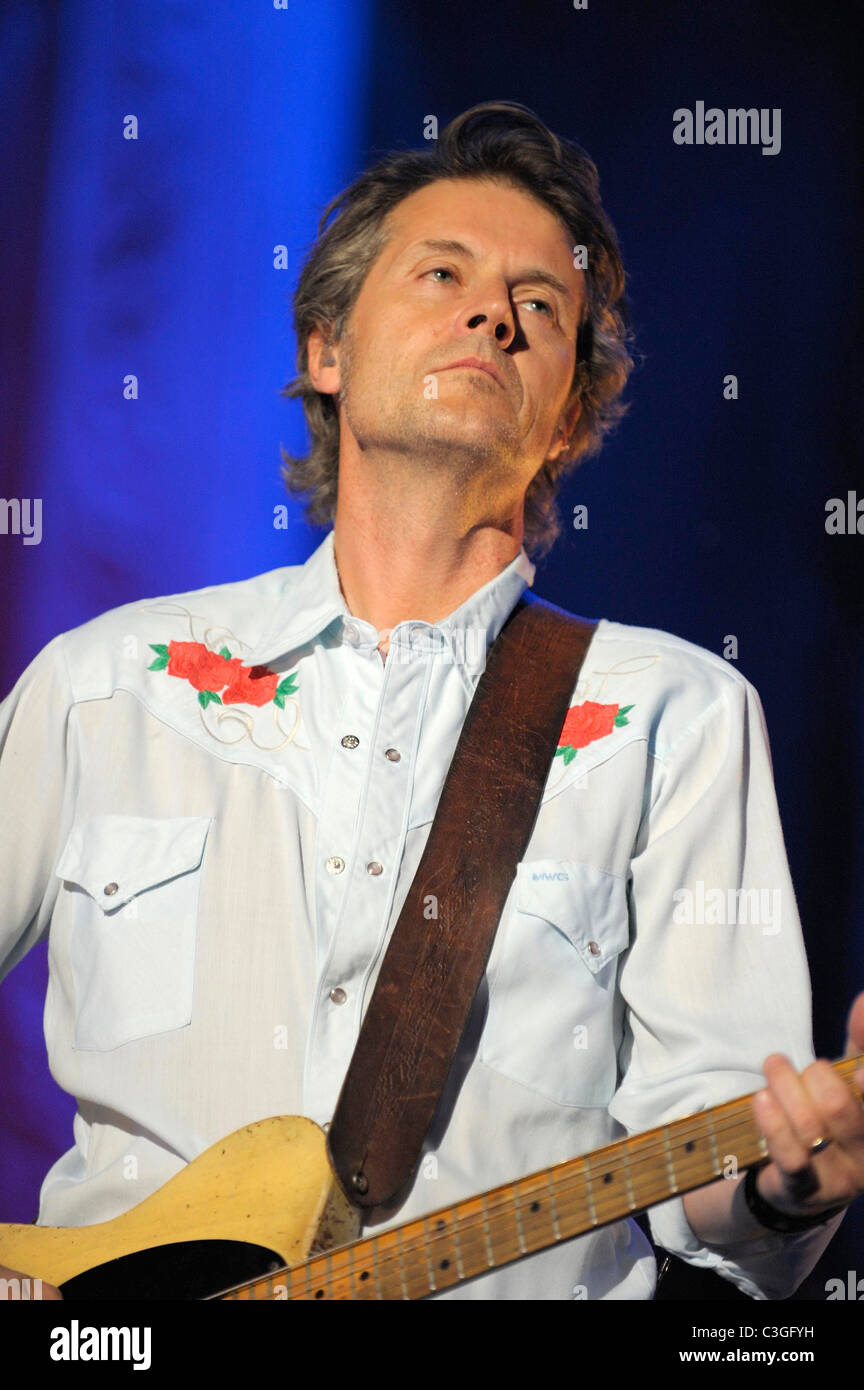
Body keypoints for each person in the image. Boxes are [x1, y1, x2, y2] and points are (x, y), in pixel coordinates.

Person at [1, 101, 862, 1302]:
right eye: (442, 272)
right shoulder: (107, 684)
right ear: (327, 351)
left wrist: (786, 1178)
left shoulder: (678, 714)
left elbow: (712, 1163)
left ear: (567, 414)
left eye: (541, 304)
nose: (492, 313)